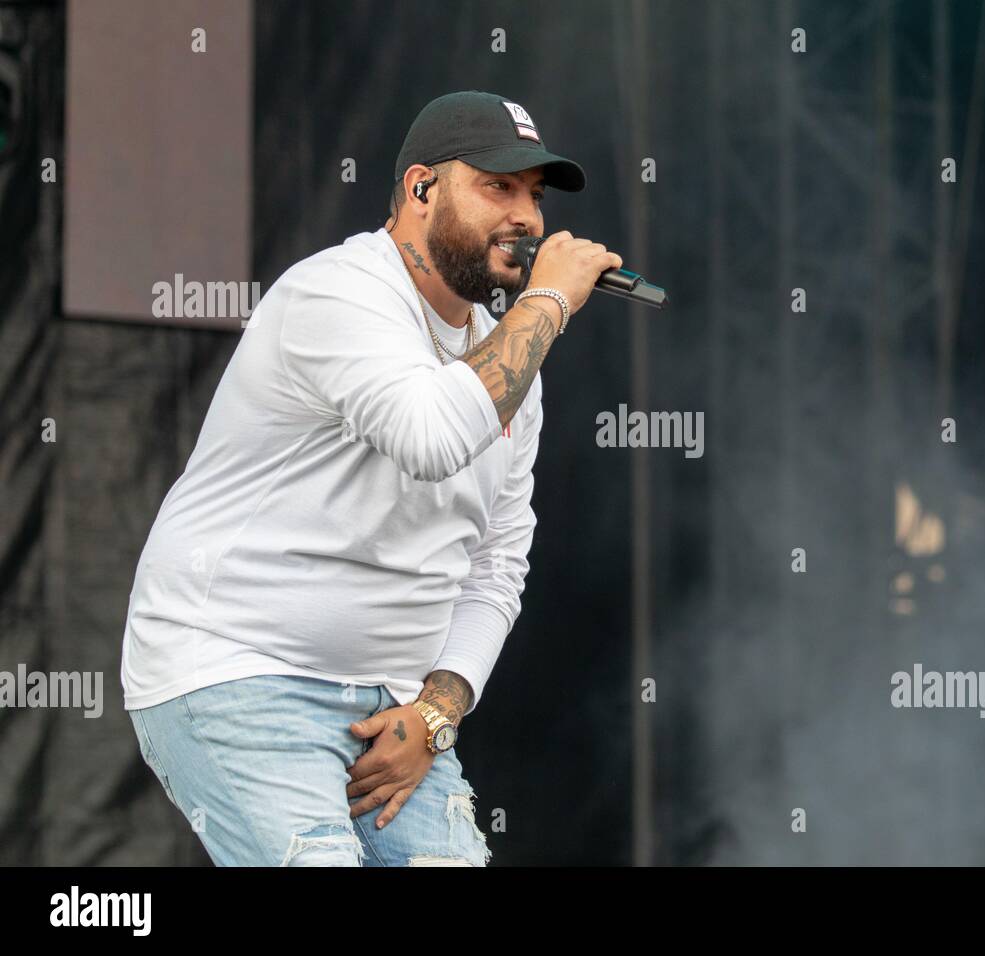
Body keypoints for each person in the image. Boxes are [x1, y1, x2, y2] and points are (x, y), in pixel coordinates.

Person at [120, 91, 622, 865]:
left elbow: (495, 564)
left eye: (535, 195)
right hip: (238, 669)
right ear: (421, 188)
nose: (526, 216)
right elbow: (429, 435)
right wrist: (550, 300)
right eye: (498, 186)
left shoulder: (510, 359)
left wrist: (435, 715)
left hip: (394, 707)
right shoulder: (337, 293)